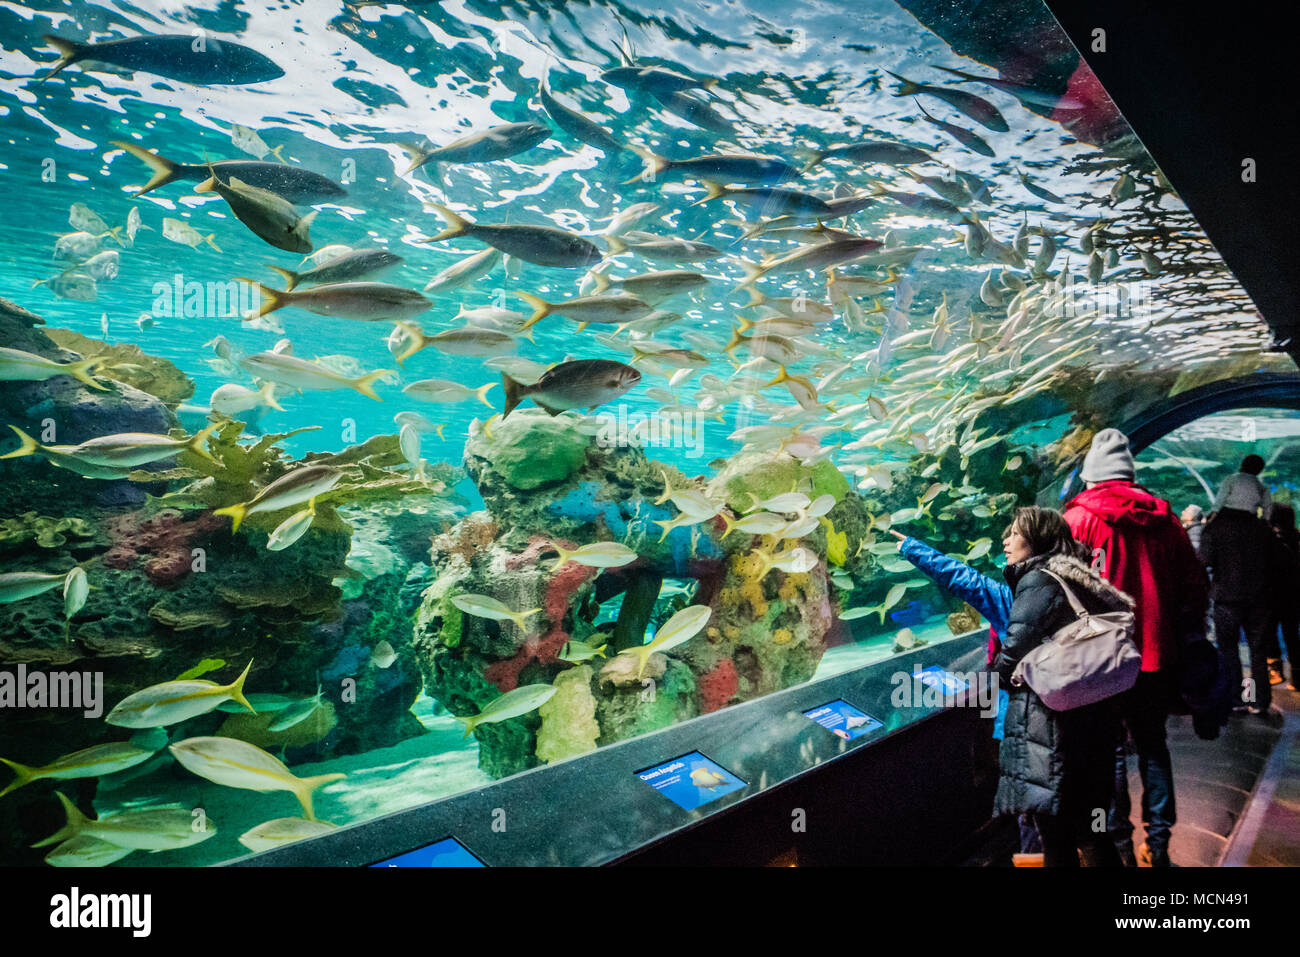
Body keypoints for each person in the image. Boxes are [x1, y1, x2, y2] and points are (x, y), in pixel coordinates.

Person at [1062, 428, 1209, 868]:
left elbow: (1061, 592)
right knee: (1152, 745)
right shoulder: (1164, 519)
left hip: (1100, 661)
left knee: (1106, 753)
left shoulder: (1077, 520)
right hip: (1156, 656)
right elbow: (1194, 583)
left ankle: (1118, 847)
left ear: (1090, 473)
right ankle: (1159, 846)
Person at [992, 506, 1130, 867]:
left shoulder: (1038, 580)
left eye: (1015, 534)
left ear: (1036, 539)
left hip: (1052, 726)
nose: (1006, 541)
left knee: (1056, 833)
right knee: (1093, 828)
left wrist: (999, 676)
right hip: (1094, 720)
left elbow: (1017, 644)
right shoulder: (1081, 577)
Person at [1199, 480, 1286, 718]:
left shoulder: (1215, 527)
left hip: (1226, 598)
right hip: (1260, 599)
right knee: (1258, 651)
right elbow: (1277, 563)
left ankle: (1235, 698)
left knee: (1228, 650)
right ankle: (1258, 701)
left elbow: (1203, 561)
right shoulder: (1262, 529)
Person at [1265, 504, 1300, 690]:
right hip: (1293, 595)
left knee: (1269, 634)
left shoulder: (1268, 539)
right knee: (1293, 635)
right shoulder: (1297, 538)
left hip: (1270, 594)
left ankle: (1275, 672)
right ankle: (1298, 677)